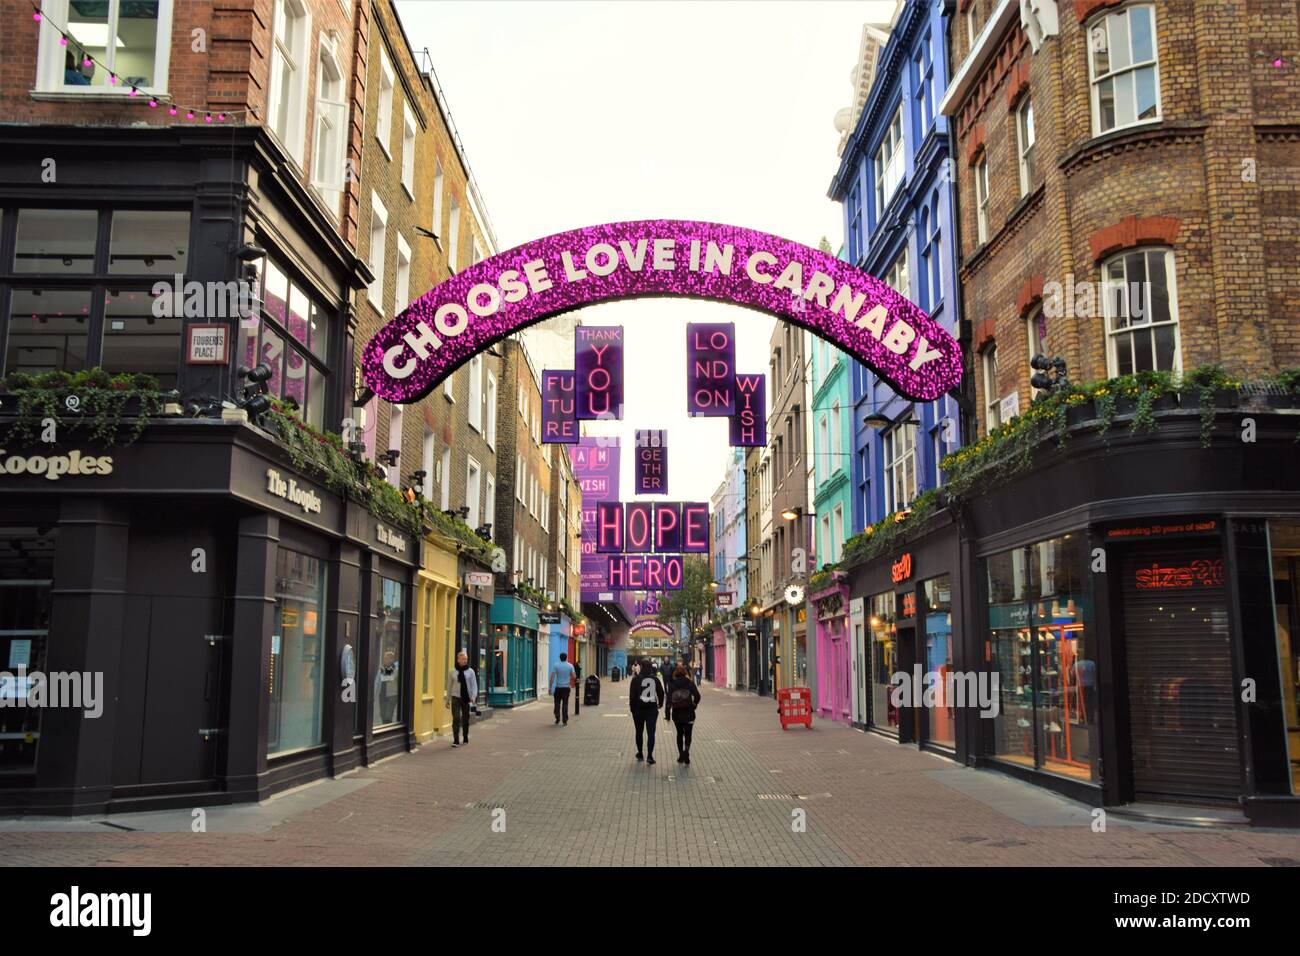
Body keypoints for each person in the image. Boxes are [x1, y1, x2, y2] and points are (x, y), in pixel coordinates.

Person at [629, 656, 664, 764]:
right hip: (651, 710)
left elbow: (632, 696)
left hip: (639, 710)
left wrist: (632, 709)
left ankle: (640, 753)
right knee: (651, 733)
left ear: (641, 666)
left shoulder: (636, 679)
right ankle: (649, 755)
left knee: (639, 732)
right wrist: (660, 704)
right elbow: (661, 693)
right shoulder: (655, 679)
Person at [665, 664, 702, 765]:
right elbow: (698, 696)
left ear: (675, 674)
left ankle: (681, 754)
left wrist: (667, 714)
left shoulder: (672, 684)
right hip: (689, 713)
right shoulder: (690, 683)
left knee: (679, 734)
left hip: (677, 714)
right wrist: (694, 705)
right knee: (688, 734)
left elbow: (668, 700)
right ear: (685, 673)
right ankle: (686, 752)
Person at [445, 649, 478, 748]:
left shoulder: (470, 671)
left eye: (466, 659)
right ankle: (456, 740)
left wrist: (473, 697)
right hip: (455, 697)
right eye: (463, 659)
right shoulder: (452, 671)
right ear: (458, 659)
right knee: (456, 718)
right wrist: (447, 700)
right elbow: (449, 686)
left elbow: (474, 685)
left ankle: (465, 736)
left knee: (465, 719)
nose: (464, 661)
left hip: (466, 698)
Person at [549, 651, 576, 725]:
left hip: (558, 688)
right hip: (566, 688)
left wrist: (550, 687)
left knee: (557, 703)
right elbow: (574, 677)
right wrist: (572, 682)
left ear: (560, 658)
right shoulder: (570, 666)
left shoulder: (556, 665)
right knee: (565, 703)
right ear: (566, 658)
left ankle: (557, 717)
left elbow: (552, 677)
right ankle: (565, 720)